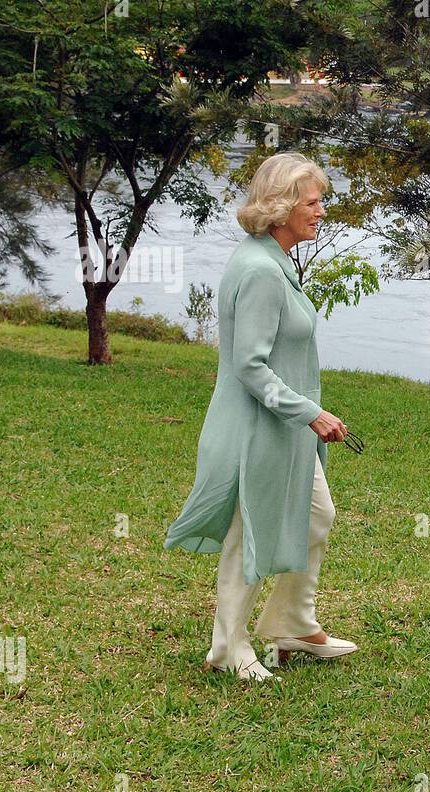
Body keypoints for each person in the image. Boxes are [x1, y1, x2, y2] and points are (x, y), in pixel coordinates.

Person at [164, 152, 356, 681]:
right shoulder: (260, 269)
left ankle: (293, 622)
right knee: (249, 532)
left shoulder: (273, 259)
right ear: (282, 205)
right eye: (313, 202)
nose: (321, 212)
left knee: (316, 515)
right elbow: (249, 365)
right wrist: (310, 413)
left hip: (282, 428)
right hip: (257, 428)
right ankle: (228, 647)